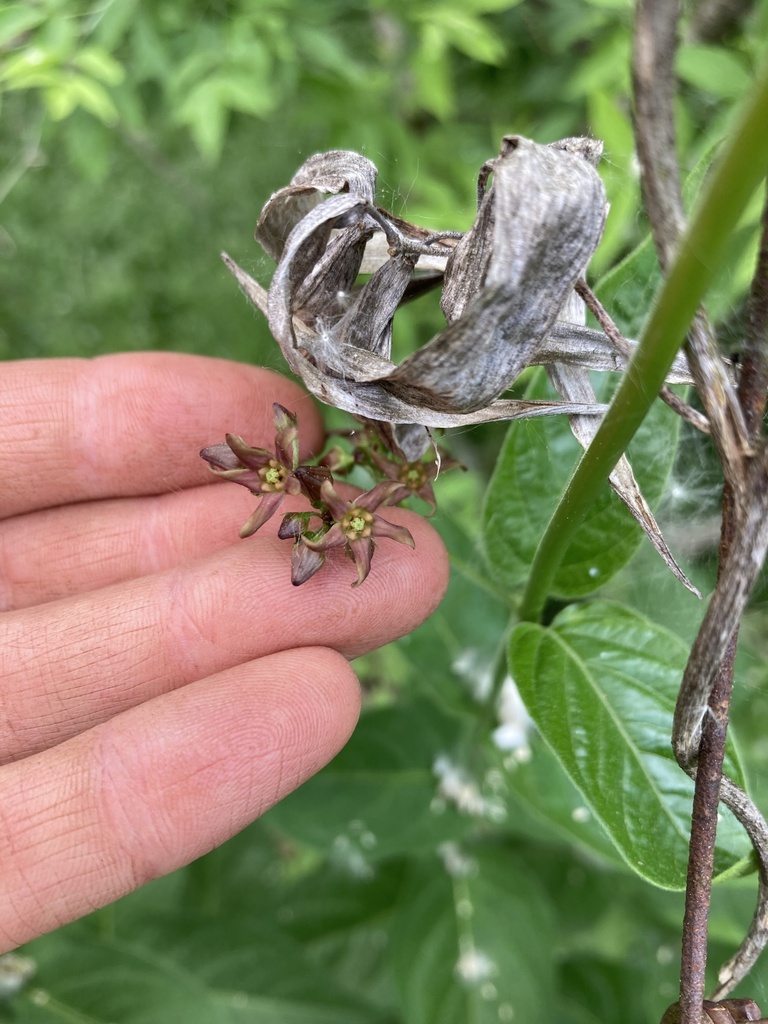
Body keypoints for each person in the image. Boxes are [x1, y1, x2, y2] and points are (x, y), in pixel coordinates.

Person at [0, 352, 449, 953]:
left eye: (274, 477)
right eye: (269, 479)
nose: (271, 481)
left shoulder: (317, 492)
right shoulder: (305, 490)